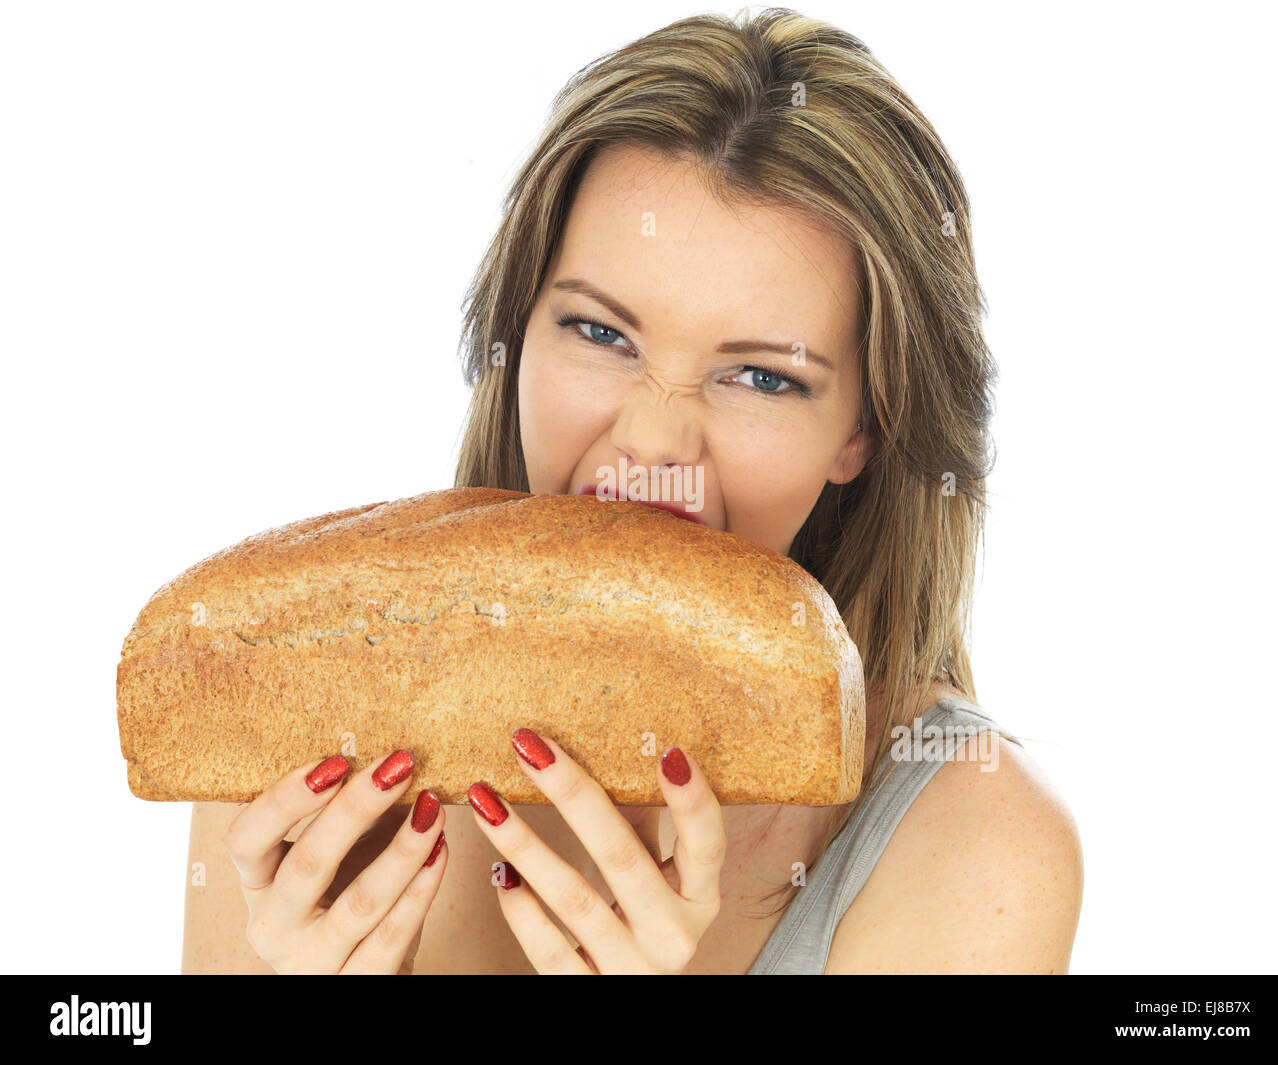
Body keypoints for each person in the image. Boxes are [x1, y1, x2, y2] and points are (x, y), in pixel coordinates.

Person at [182, 7, 1083, 974]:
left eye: (763, 376)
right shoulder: (290, 721)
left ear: (865, 429)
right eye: (602, 333)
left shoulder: (978, 842)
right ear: (516, 334)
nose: (652, 442)